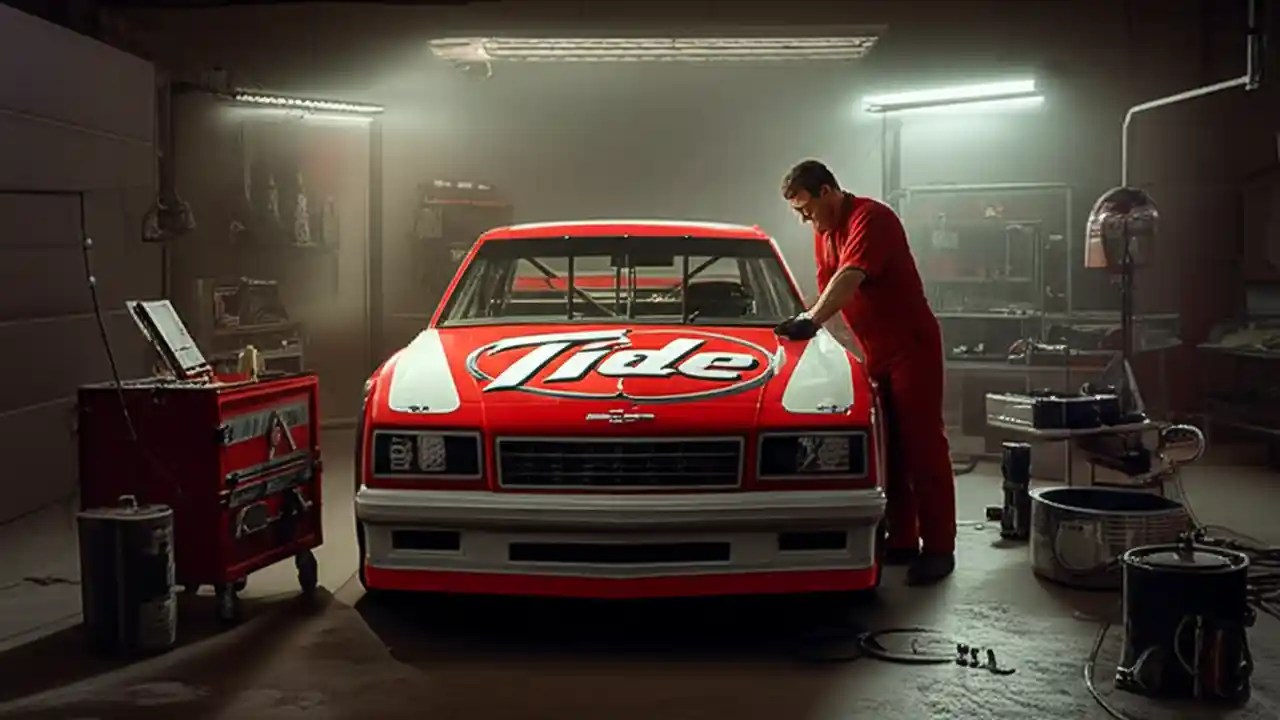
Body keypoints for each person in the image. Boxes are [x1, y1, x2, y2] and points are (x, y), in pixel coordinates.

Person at [774, 159, 956, 586]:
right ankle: (904, 539)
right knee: (889, 448)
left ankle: (940, 547)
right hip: (875, 352)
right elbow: (825, 295)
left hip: (911, 347)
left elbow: (849, 279)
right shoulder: (824, 234)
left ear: (827, 192)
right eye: (797, 213)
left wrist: (810, 321)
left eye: (806, 209)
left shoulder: (870, 218)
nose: (805, 219)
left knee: (923, 446)